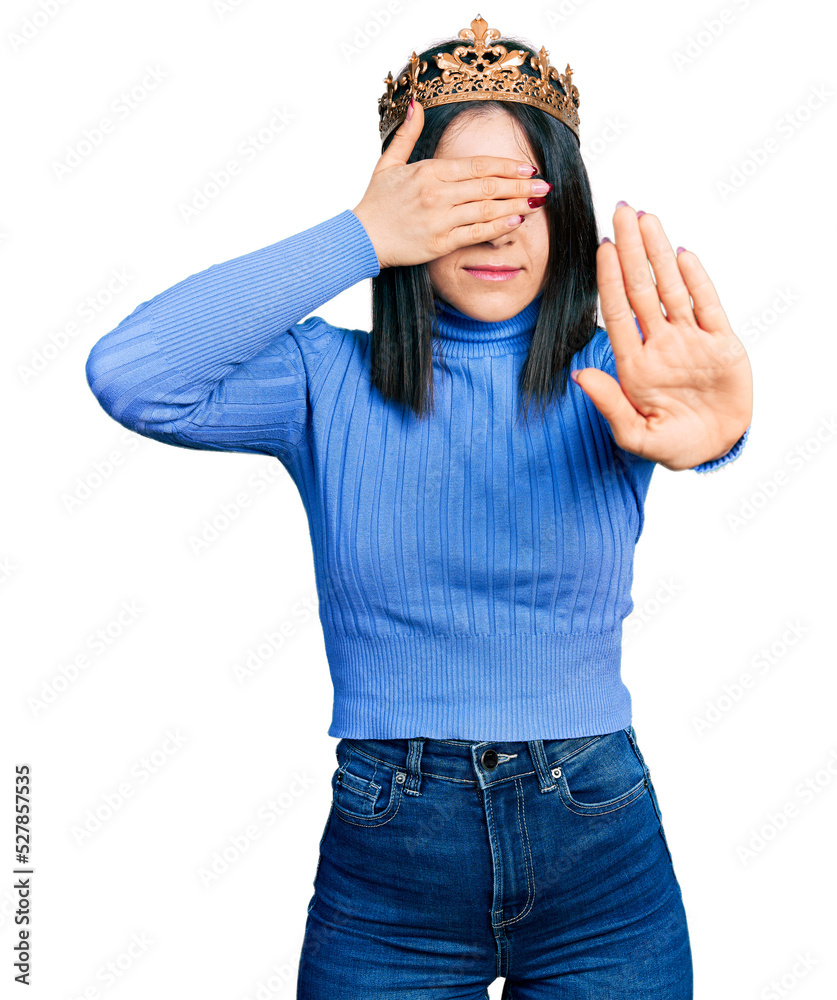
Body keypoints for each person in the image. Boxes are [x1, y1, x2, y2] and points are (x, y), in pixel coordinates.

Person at [84, 15, 752, 999]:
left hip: (601, 854)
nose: (495, 224)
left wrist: (726, 434)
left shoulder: (617, 370)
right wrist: (359, 236)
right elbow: (133, 372)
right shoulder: (325, 380)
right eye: (455, 197)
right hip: (390, 861)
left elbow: (693, 414)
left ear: (563, 206)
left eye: (522, 193)